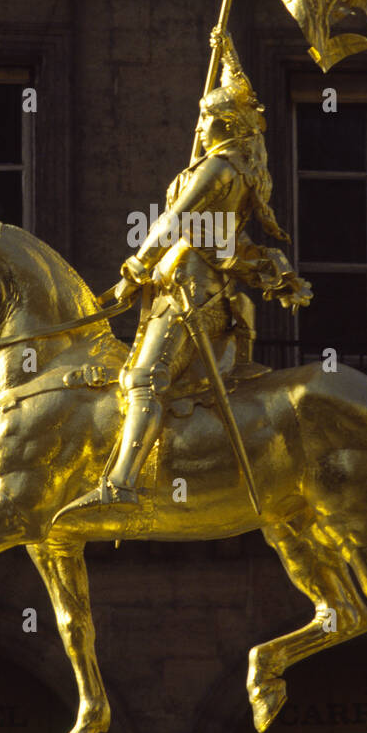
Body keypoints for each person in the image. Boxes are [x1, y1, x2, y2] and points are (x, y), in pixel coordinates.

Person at [56, 28, 312, 519]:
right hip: (197, 290)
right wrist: (227, 52)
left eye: (208, 117)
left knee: (144, 379)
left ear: (221, 124)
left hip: (190, 294)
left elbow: (174, 223)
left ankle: (122, 485)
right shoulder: (232, 168)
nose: (203, 124)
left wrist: (137, 263)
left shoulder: (217, 172)